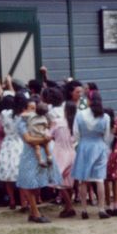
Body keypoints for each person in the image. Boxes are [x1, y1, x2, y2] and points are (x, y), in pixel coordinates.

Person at [71, 91, 112, 220]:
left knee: (84, 180)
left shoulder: (79, 114)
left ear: (88, 100)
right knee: (99, 179)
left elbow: (76, 134)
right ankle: (101, 208)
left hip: (84, 147)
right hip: (99, 146)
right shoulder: (105, 117)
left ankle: (84, 209)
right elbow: (106, 136)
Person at [17, 95, 57, 223]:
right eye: (31, 108)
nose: (33, 111)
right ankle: (35, 212)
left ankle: (33, 211)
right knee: (30, 183)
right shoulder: (21, 122)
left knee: (37, 184)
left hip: (40, 154)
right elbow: (28, 139)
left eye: (35, 108)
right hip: (29, 155)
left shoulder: (38, 119)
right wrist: (45, 140)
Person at [46, 87, 77, 218]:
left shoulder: (57, 122)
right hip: (72, 152)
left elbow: (48, 135)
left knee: (59, 181)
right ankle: (68, 206)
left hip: (59, 152)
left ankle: (69, 206)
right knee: (68, 182)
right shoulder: (75, 124)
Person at [0, 93, 25, 210]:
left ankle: (12, 200)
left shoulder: (4, 114)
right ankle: (23, 201)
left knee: (7, 173)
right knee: (21, 173)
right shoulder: (20, 115)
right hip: (18, 142)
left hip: (7, 142)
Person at [26, 102, 53, 168]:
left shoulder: (31, 116)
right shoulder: (44, 119)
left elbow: (25, 117)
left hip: (34, 136)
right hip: (42, 136)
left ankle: (40, 160)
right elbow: (46, 126)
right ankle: (49, 157)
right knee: (46, 146)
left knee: (37, 148)